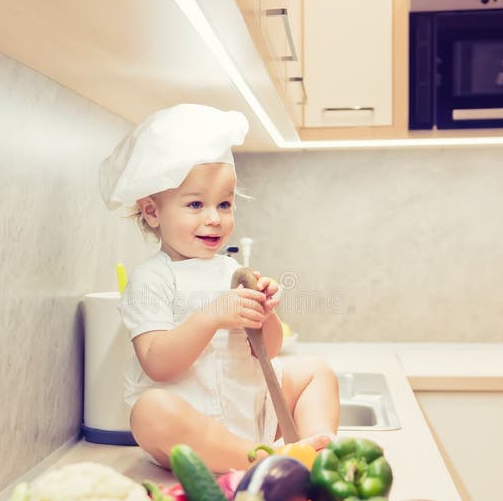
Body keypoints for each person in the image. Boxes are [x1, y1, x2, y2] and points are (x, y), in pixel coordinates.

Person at [99, 103, 340, 473]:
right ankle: (272, 459)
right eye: (195, 204)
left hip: (251, 417)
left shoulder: (233, 269)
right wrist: (211, 316)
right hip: (192, 438)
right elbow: (158, 363)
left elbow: (269, 352)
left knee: (314, 371)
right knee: (150, 411)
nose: (214, 218)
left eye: (224, 204)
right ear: (151, 212)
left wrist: (265, 314)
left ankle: (319, 453)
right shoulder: (152, 279)